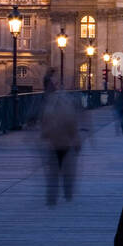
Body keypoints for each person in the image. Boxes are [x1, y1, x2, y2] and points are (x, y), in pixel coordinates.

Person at [39, 73, 83, 205]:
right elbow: (72, 121)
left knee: (54, 171)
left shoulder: (49, 102)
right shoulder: (66, 101)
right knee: (65, 170)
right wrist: (76, 139)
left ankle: (52, 198)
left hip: (56, 141)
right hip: (62, 141)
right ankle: (66, 193)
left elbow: (45, 121)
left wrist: (44, 134)